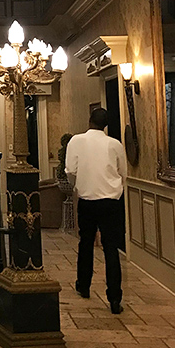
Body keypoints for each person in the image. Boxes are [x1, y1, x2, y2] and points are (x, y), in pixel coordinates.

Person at [65, 107, 127, 314]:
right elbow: (123, 173)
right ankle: (115, 298)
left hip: (88, 200)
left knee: (86, 243)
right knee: (111, 248)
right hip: (111, 202)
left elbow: (70, 171)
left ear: (89, 120)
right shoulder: (115, 144)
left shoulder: (76, 141)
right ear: (106, 125)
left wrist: (79, 186)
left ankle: (83, 285)